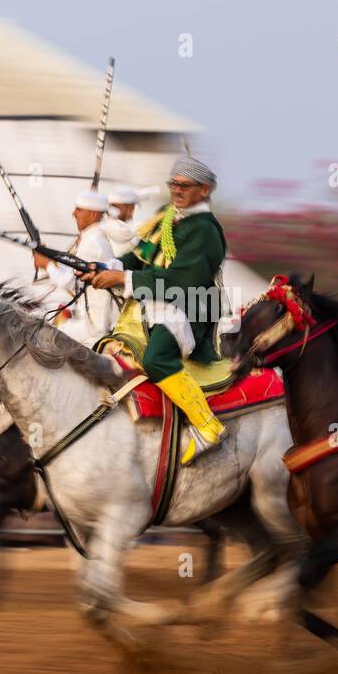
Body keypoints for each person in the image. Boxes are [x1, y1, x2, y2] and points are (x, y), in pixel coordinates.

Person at [80, 155, 229, 464]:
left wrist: (122, 278)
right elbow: (141, 256)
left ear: (204, 190)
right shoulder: (166, 216)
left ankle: (207, 425)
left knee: (156, 358)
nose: (176, 190)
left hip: (192, 306)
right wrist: (106, 267)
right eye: (173, 184)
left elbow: (183, 281)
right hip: (157, 301)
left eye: (184, 185)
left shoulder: (205, 230)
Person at [33, 190, 119, 344]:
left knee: (42, 339)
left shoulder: (92, 241)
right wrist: (50, 261)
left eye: (79, 210)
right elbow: (76, 272)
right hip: (89, 321)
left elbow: (71, 282)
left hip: (93, 327)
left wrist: (46, 265)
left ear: (93, 215)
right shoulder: (93, 237)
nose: (73, 214)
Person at [102, 186, 144, 256]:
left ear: (130, 209)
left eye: (114, 206)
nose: (109, 211)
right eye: (109, 207)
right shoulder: (105, 226)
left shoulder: (139, 230)